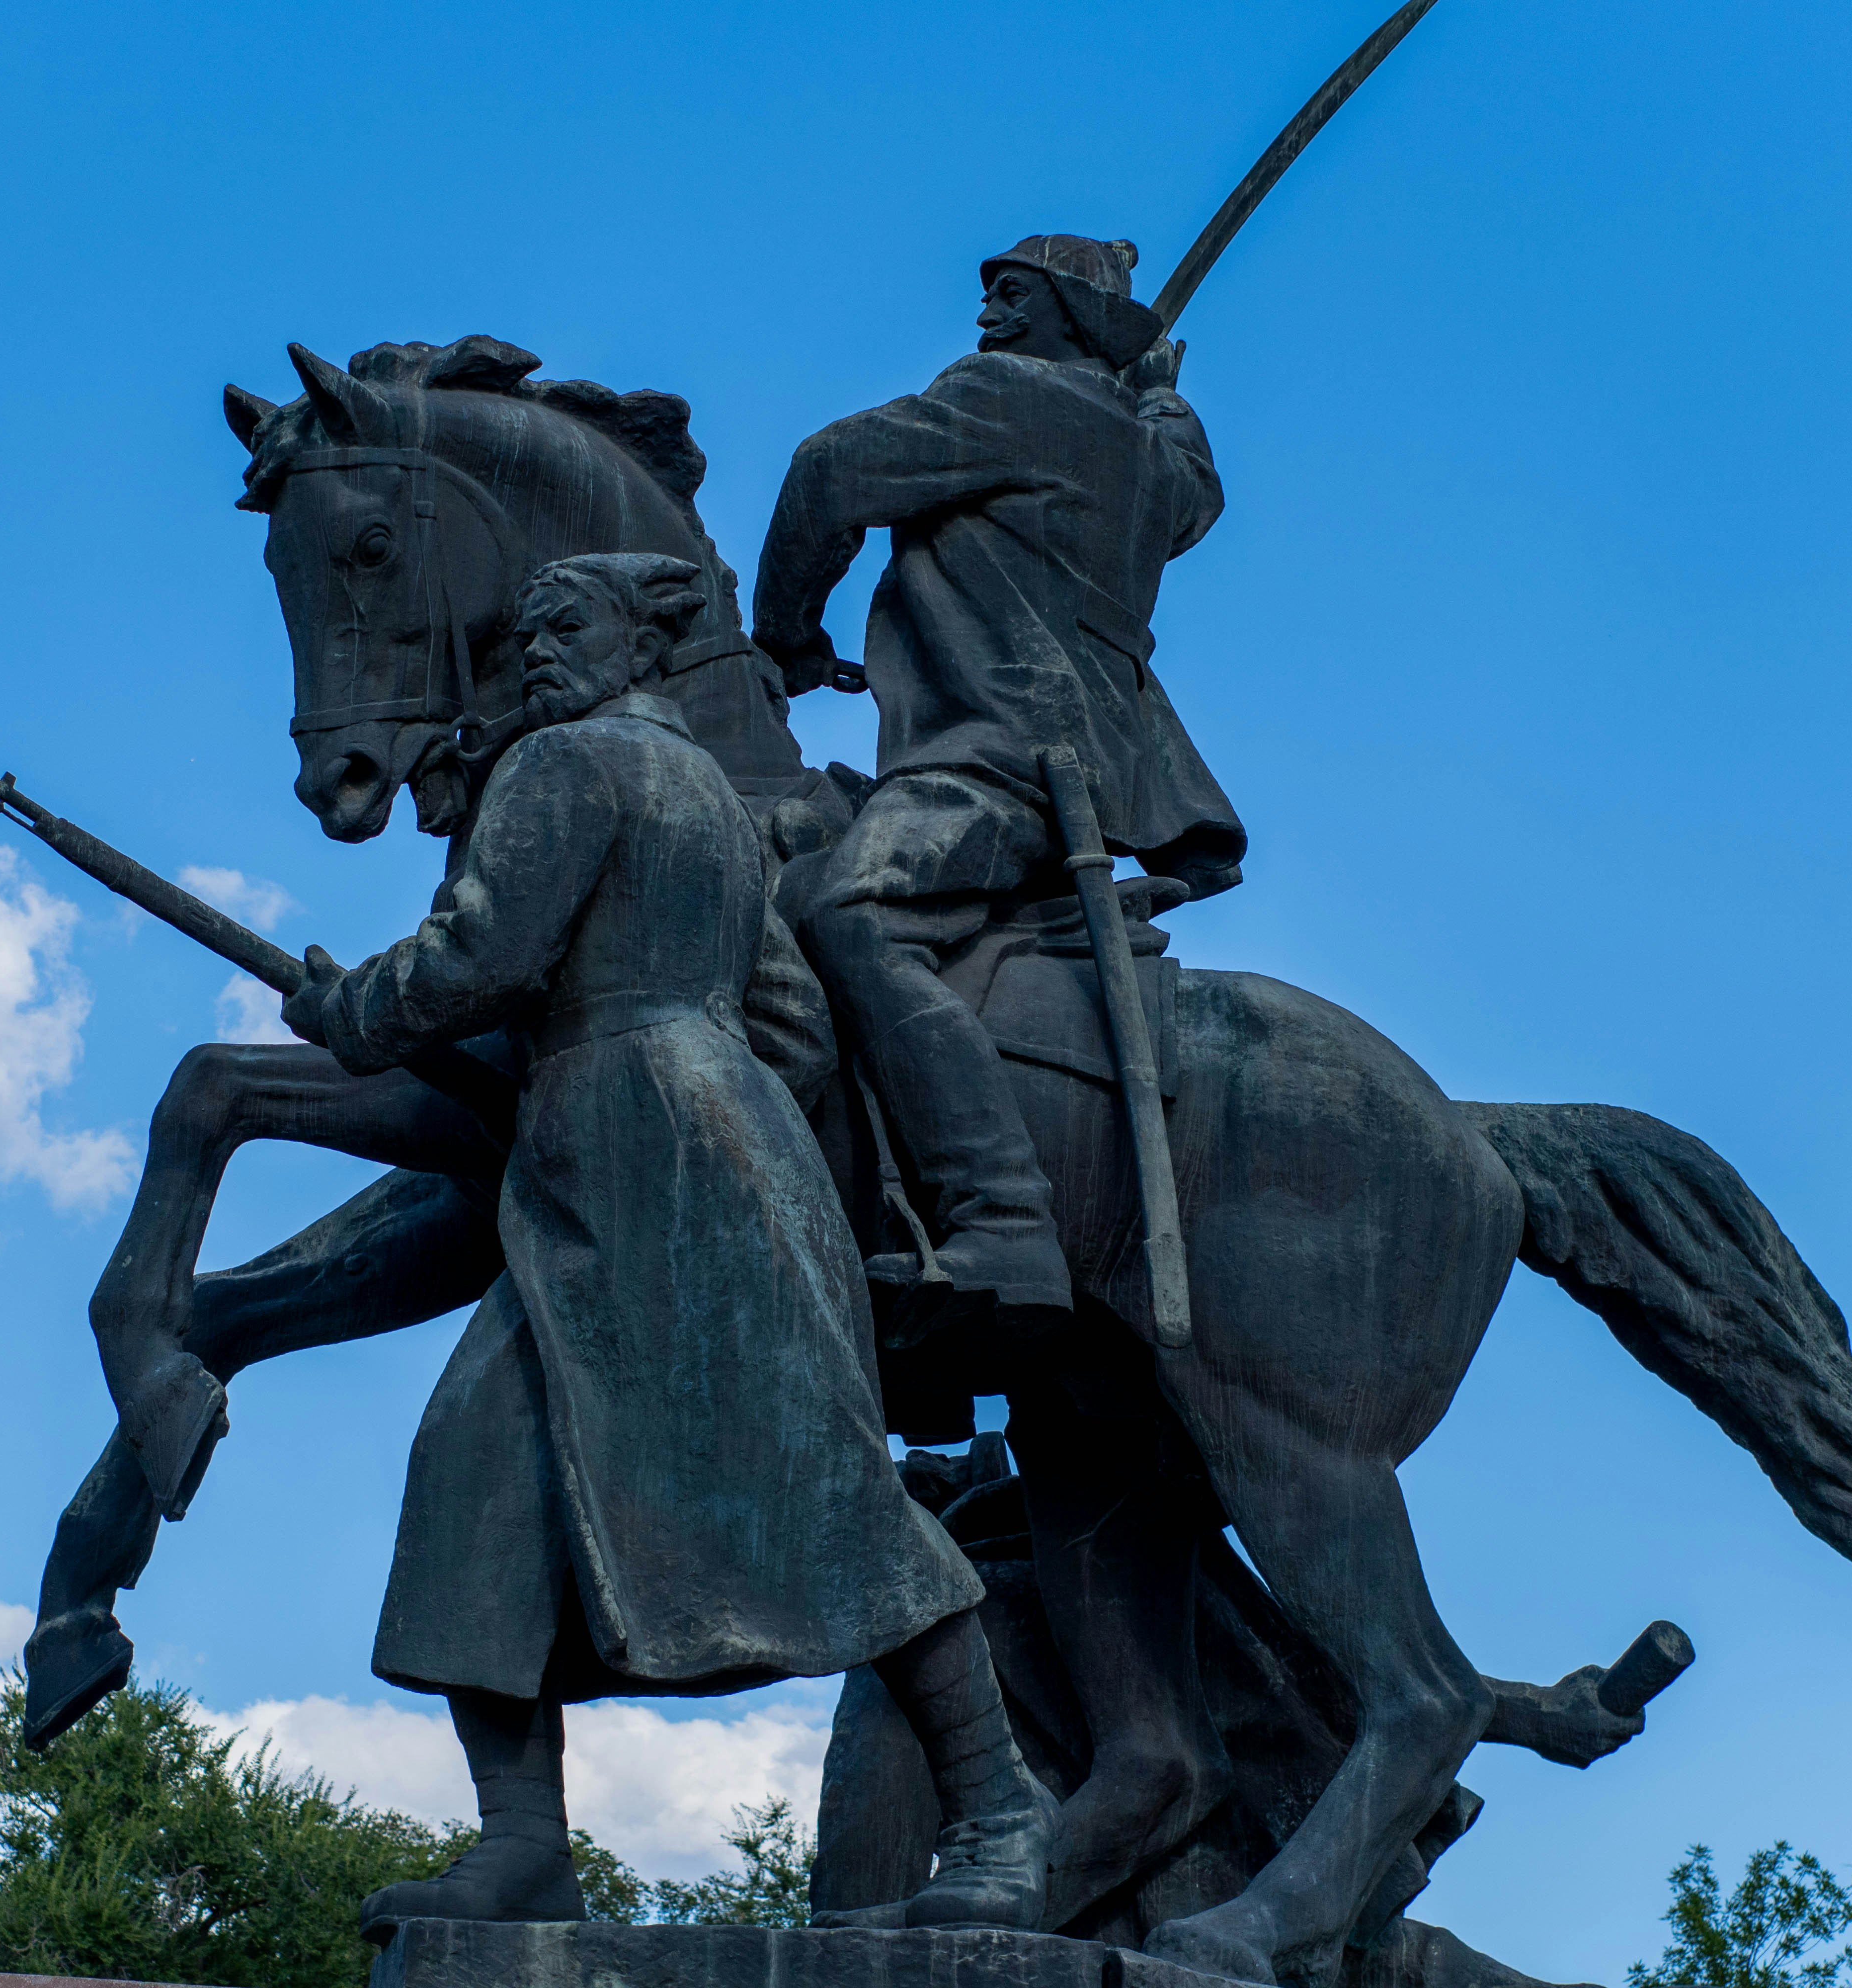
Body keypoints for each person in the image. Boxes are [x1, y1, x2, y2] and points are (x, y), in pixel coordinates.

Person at [287, 551, 1054, 1934]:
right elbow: (794, 1025)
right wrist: (712, 1101)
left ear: (640, 645)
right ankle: (523, 1845)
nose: (535, 652)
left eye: (563, 625)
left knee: (824, 1487)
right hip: (687, 1141)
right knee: (477, 1467)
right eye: (524, 629)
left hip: (661, 1164)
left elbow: (476, 957)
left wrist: (354, 1014)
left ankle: (1002, 1814)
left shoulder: (569, 763)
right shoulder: (707, 788)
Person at [750, 235, 1244, 1336]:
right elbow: (1191, 488)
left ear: (1068, 314)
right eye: (986, 298)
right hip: (1081, 765)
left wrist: (784, 635)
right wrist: (1160, 395)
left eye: (1013, 296)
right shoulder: (1154, 452)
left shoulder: (1006, 397)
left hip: (995, 756)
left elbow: (826, 471)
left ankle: (1003, 1209)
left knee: (852, 913)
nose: (987, 318)